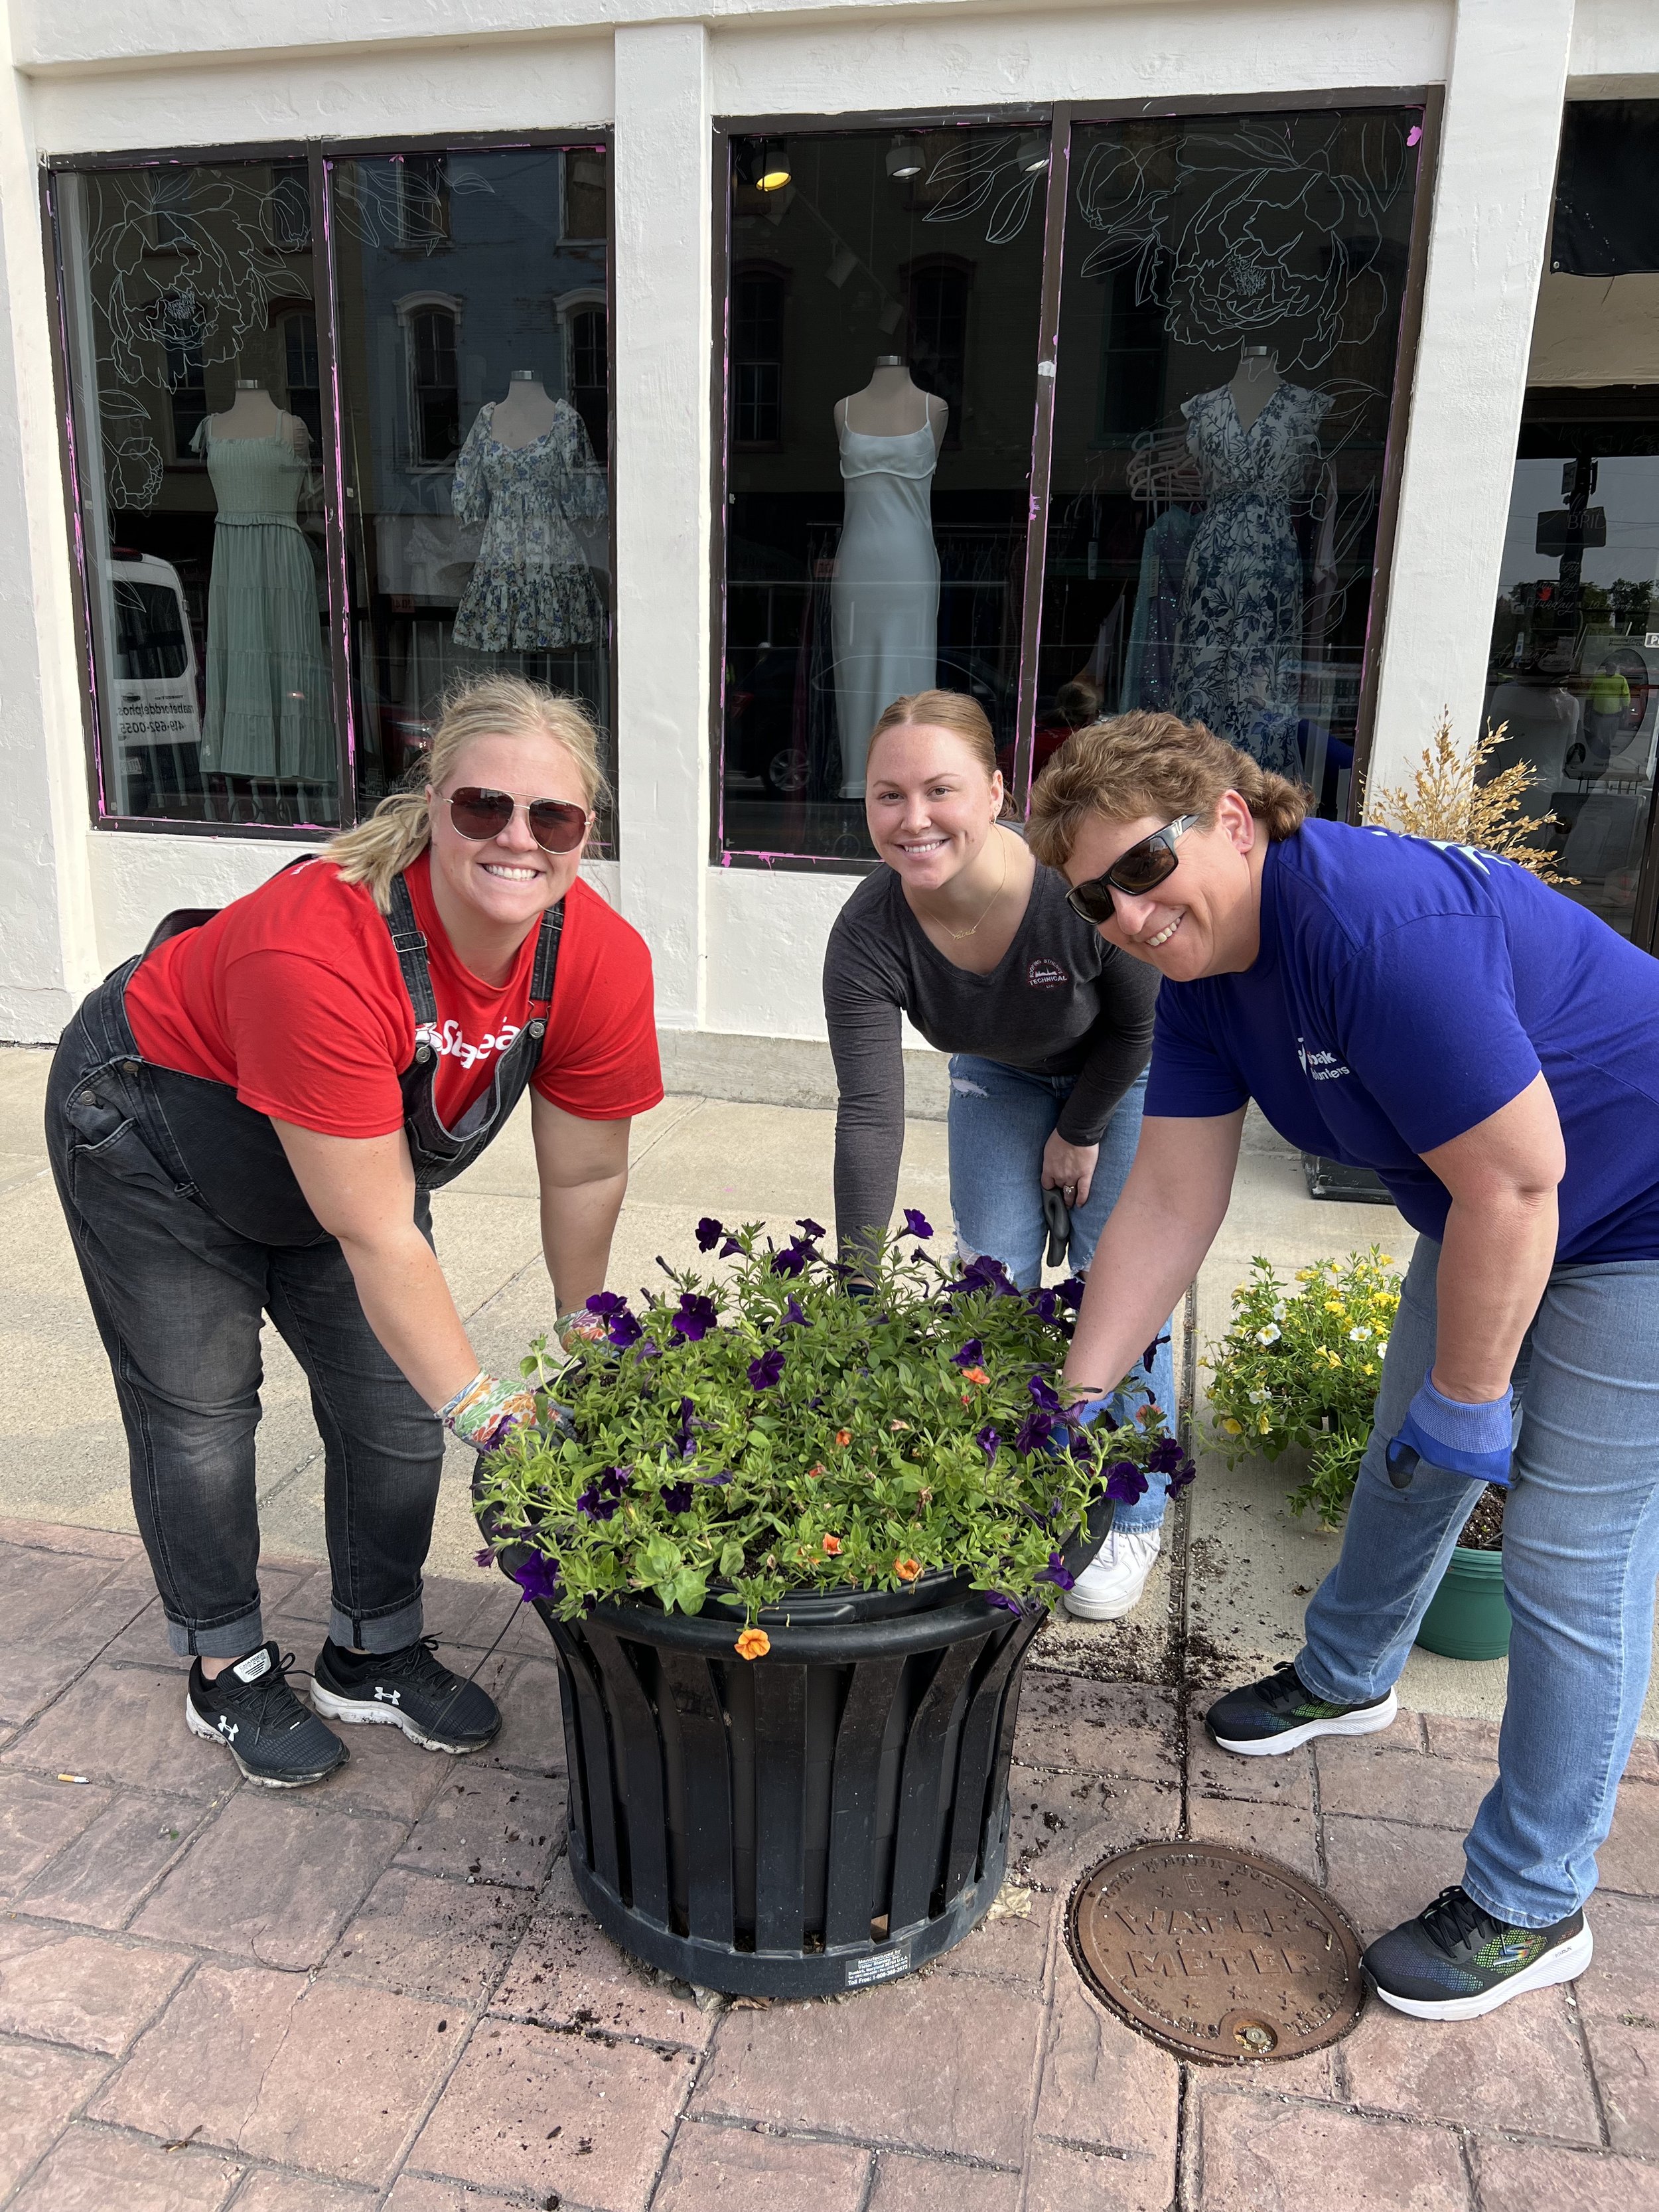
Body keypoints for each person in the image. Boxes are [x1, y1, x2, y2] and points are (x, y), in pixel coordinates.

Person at [1027, 707, 1659, 2023]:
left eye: (1144, 864)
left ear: (1233, 818)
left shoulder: (1373, 928)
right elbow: (1168, 1200)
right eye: (1094, 896)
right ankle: (1346, 1673)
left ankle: (1533, 1899)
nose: (1127, 912)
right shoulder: (1204, 981)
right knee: (1406, 1449)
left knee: (1567, 1551)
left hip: (1630, 1210)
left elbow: (1521, 1179)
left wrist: (1475, 1399)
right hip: (1489, 1200)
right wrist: (1075, 1398)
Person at [46, 676, 661, 1787]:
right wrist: (492, 1412)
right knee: (202, 1413)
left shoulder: (598, 959)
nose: (517, 837)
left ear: (586, 834)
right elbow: (379, 1231)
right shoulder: (320, 947)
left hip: (336, 1162)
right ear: (433, 805)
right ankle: (225, 1662)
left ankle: (372, 1650)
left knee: (393, 1414)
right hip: (153, 1129)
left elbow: (586, 1170)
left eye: (553, 816)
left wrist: (587, 1329)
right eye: (484, 805)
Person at [823, 689, 1177, 1621]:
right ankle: (1013, 1469)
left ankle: (1137, 1500)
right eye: (888, 795)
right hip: (998, 1072)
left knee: (1118, 1272)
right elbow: (870, 1112)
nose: (914, 818)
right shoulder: (868, 932)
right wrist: (856, 1286)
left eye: (939, 789)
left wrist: (1081, 1129)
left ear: (994, 790)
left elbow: (1141, 1025)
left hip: (1127, 1070)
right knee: (991, 1273)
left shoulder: (1069, 889)